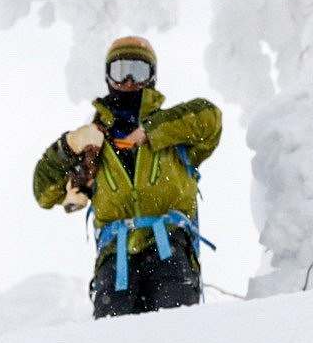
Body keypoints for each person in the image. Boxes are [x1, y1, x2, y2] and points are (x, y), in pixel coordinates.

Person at [32, 37, 220, 318]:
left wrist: (151, 130)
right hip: (114, 262)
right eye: (121, 71)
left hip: (170, 249)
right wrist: (70, 145)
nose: (130, 81)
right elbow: (43, 192)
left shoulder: (174, 135)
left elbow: (210, 118)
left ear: (152, 77)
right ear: (108, 77)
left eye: (139, 71)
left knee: (176, 341)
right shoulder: (92, 148)